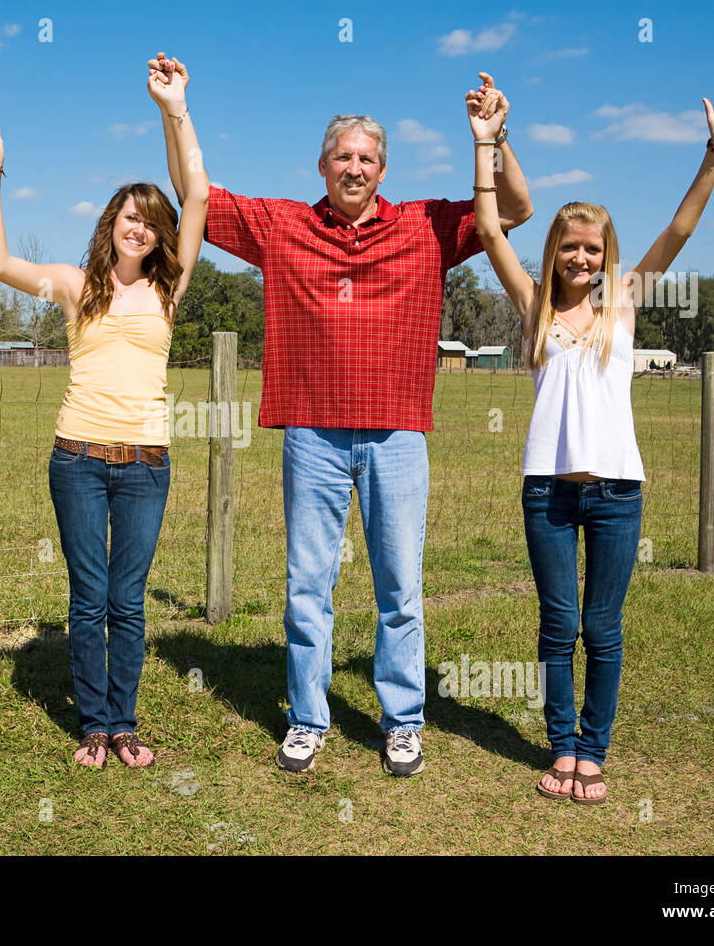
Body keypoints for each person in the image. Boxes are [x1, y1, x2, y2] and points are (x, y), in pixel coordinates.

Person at [161, 67, 533, 775]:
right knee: (308, 587)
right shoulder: (283, 225)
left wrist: (494, 139)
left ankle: (402, 722)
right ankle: (307, 718)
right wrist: (177, 111)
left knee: (400, 589)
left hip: (397, 434)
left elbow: (514, 209)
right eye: (342, 157)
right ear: (323, 166)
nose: (354, 168)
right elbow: (195, 196)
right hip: (313, 433)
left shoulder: (427, 225)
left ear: (383, 169)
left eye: (366, 158)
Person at [467, 75, 714, 803]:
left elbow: (680, 230)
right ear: (555, 250)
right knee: (557, 626)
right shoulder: (531, 309)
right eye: (570, 248)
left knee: (603, 625)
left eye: (593, 250)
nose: (581, 260)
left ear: (607, 255)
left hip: (619, 491)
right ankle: (560, 746)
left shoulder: (625, 303)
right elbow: (492, 230)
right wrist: (488, 145)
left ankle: (594, 750)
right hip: (548, 493)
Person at [0, 55, 208, 767]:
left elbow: (196, 195)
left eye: (149, 222)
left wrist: (175, 106)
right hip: (77, 458)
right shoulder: (78, 286)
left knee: (126, 603)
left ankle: (126, 721)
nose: (138, 228)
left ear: (160, 235)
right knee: (88, 598)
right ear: (111, 224)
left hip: (145, 464)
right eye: (129, 218)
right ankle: (93, 727)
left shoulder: (169, 290)